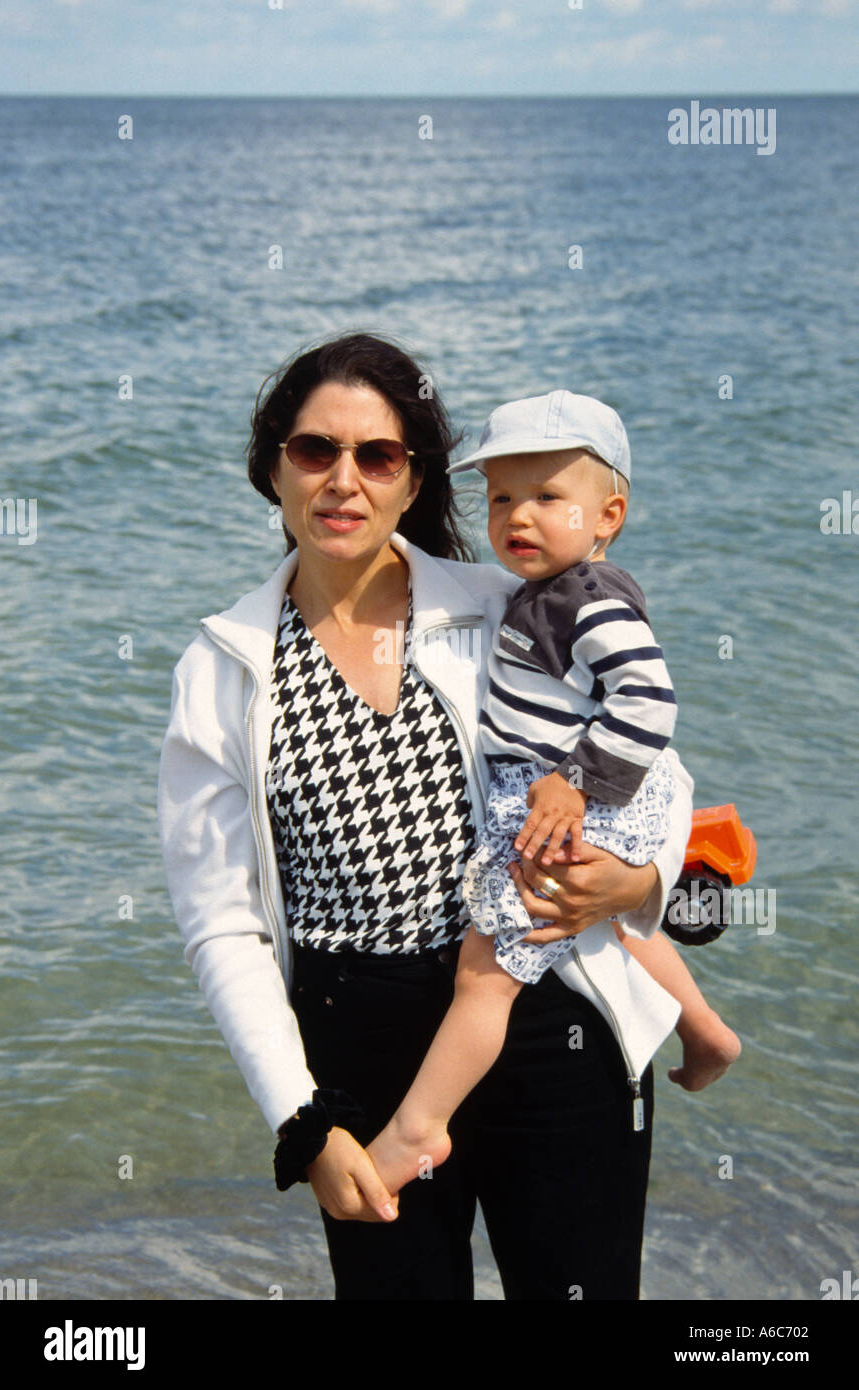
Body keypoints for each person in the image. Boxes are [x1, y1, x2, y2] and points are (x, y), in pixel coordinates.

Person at [158, 332, 696, 1300]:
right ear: (273, 466)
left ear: (414, 481)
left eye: (379, 455)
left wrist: (642, 881)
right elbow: (219, 919)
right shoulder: (222, 664)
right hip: (352, 1045)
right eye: (315, 450)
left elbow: (656, 762)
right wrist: (303, 1117)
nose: (344, 481)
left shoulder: (508, 604)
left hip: (546, 1012)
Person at [366, 391, 741, 1196]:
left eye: (545, 497)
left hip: (573, 800)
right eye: (500, 497)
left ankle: (418, 1126)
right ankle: (705, 1030)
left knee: (485, 970)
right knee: (600, 917)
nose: (516, 516)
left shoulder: (587, 600)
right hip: (573, 797)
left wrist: (575, 787)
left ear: (608, 513)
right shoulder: (540, 593)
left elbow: (648, 703)